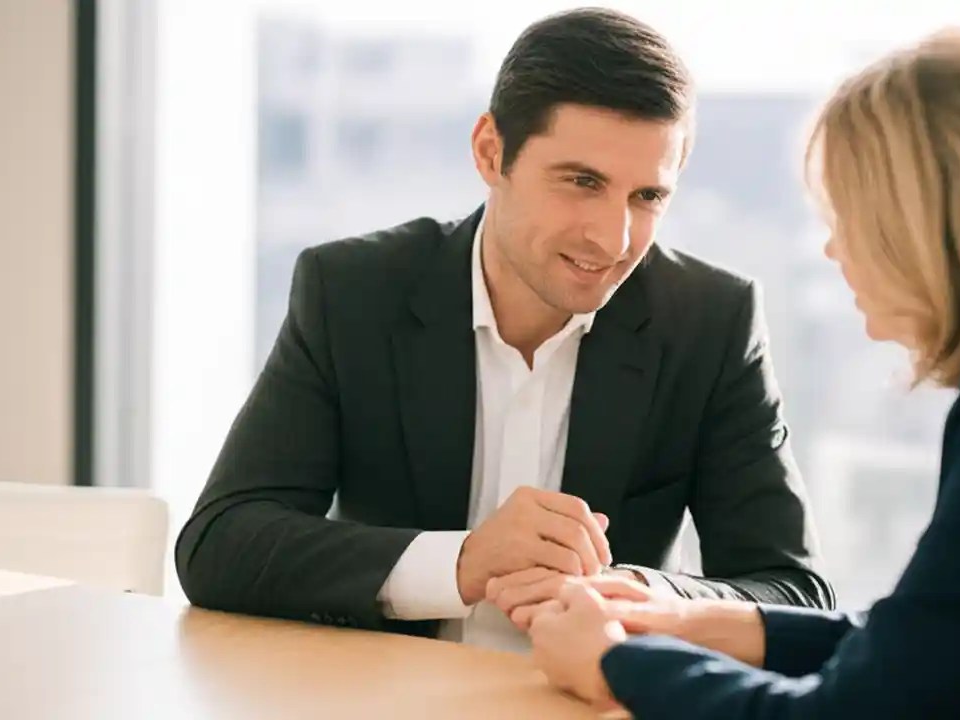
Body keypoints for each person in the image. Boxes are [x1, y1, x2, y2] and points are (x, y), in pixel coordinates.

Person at [528, 28, 960, 716]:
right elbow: (935, 641)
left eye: (848, 216)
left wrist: (615, 663)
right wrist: (694, 624)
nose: (833, 247)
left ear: (922, 222)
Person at [175, 7, 833, 653]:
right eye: (582, 182)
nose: (613, 238)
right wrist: (461, 563)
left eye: (647, 197)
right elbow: (220, 544)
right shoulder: (352, 291)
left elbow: (798, 593)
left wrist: (641, 599)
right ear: (491, 152)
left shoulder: (711, 324)